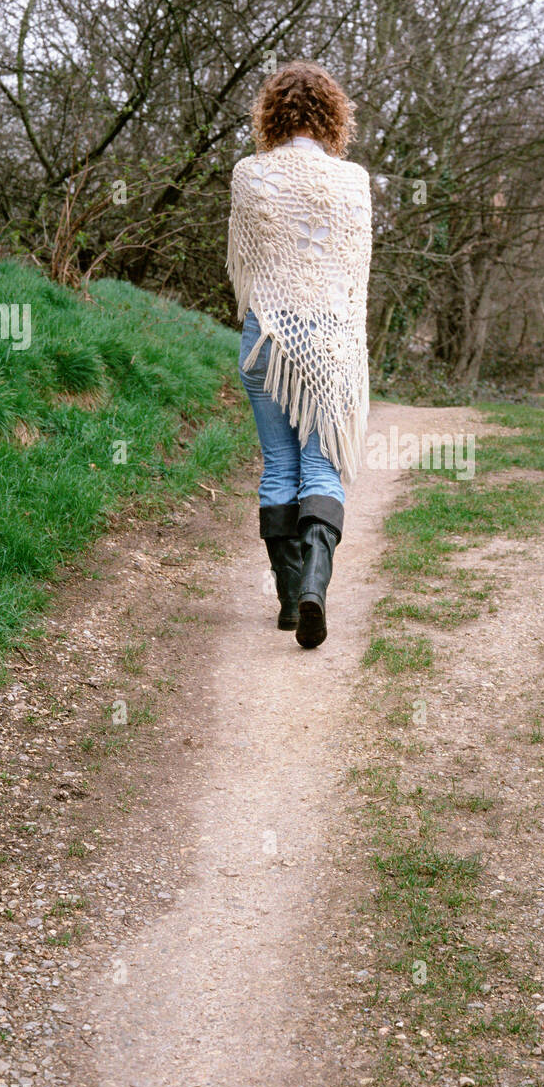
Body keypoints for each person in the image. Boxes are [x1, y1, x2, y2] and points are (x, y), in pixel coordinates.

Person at [227, 60, 372, 648]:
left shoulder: (250, 175)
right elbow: (354, 274)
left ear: (271, 112)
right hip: (330, 342)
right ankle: (315, 587)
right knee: (321, 467)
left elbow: (242, 260)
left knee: (279, 468)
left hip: (266, 339)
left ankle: (289, 603)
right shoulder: (352, 181)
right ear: (334, 115)